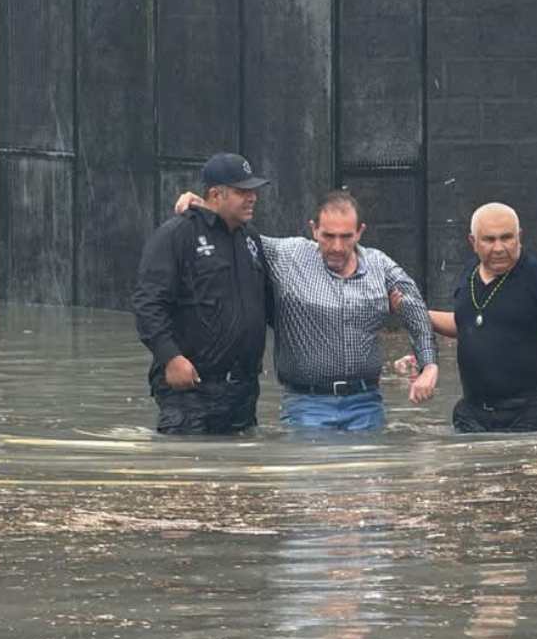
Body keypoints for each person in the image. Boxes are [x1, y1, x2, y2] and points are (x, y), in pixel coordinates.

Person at [176, 188, 438, 431]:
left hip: (365, 402)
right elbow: (240, 235)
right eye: (328, 236)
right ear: (314, 229)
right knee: (308, 463)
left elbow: (415, 311)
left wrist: (428, 366)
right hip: (307, 403)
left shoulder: (379, 266)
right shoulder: (289, 256)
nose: (337, 247)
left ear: (360, 232)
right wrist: (208, 208)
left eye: (346, 237)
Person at [425, 202, 537, 433]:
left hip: (528, 413)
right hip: (472, 412)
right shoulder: (469, 274)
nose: (499, 248)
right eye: (489, 240)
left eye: (507, 238)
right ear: (473, 242)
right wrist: (420, 315)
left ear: (519, 237)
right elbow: (466, 324)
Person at [132, 152, 272, 434]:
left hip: (242, 391)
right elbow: (148, 304)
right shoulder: (176, 235)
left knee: (242, 461)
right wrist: (171, 358)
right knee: (188, 459)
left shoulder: (250, 238)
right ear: (216, 194)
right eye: (242, 191)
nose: (252, 197)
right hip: (191, 390)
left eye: (253, 190)